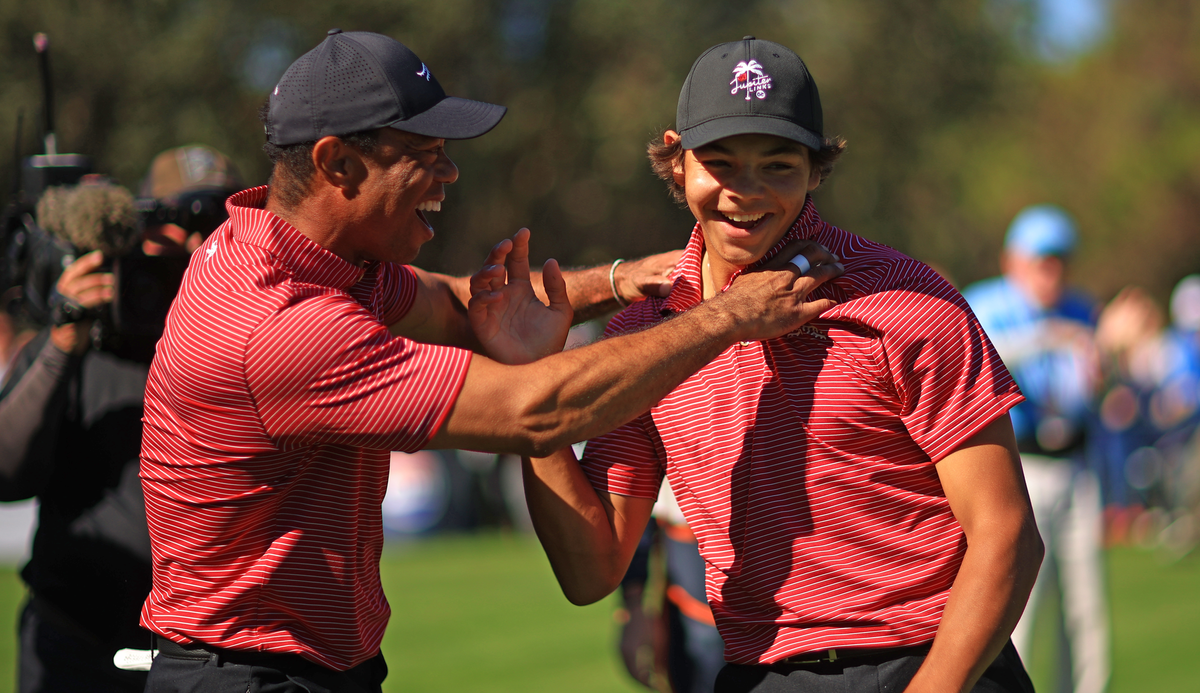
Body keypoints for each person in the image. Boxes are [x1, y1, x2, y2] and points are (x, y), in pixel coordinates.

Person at [136, 30, 841, 693]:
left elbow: (466, 306)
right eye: (425, 153)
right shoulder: (283, 328)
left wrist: (624, 279)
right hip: (249, 672)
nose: (450, 172)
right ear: (336, 164)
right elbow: (535, 408)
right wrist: (726, 317)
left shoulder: (317, 260)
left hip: (308, 662)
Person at [517, 37, 1044, 693]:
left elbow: (1008, 534)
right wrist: (529, 388)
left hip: (937, 665)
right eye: (721, 163)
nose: (747, 192)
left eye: (778, 165)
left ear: (817, 168)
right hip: (759, 675)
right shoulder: (646, 338)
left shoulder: (905, 301)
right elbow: (590, 570)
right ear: (677, 161)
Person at [0, 147, 243, 693]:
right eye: (175, 223)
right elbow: (6, 472)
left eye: (219, 224)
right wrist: (65, 338)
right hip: (75, 645)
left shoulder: (251, 339)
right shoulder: (84, 333)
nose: (195, 245)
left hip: (205, 654)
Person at [962, 205, 1109, 693]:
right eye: (1041, 260)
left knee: (1086, 611)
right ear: (1013, 260)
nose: (1052, 271)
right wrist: (1048, 337)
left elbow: (1088, 392)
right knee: (1015, 603)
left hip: (1075, 463)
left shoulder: (1080, 307)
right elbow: (985, 362)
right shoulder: (986, 303)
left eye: (1060, 260)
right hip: (1018, 467)